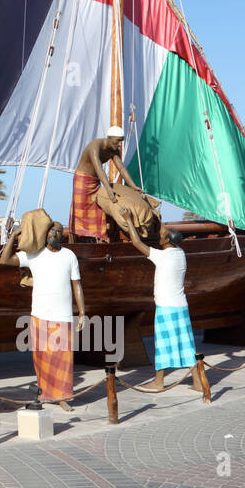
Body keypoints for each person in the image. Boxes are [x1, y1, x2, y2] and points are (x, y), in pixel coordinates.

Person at [0, 219, 85, 411]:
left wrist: (82, 312)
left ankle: (63, 396)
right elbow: (4, 260)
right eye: (53, 231)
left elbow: (76, 284)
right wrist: (13, 236)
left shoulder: (69, 256)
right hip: (39, 314)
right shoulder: (34, 255)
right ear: (46, 233)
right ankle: (45, 394)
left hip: (62, 315)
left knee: (63, 360)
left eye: (59, 232)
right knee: (42, 359)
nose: (56, 234)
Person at [121, 212, 204, 391]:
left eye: (162, 235)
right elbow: (166, 233)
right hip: (181, 306)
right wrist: (159, 220)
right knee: (187, 344)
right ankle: (197, 382)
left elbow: (137, 243)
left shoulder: (162, 256)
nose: (160, 236)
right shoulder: (180, 253)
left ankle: (158, 382)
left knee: (163, 344)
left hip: (166, 307)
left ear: (167, 241)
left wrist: (128, 220)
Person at [72, 127, 146, 241]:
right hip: (82, 181)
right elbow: (99, 169)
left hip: (96, 181)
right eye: (118, 140)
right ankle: (77, 241)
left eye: (122, 140)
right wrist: (108, 189)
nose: (120, 144)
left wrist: (133, 186)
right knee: (80, 212)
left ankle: (97, 239)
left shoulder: (114, 149)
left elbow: (121, 168)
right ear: (109, 138)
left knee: (98, 209)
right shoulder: (94, 147)